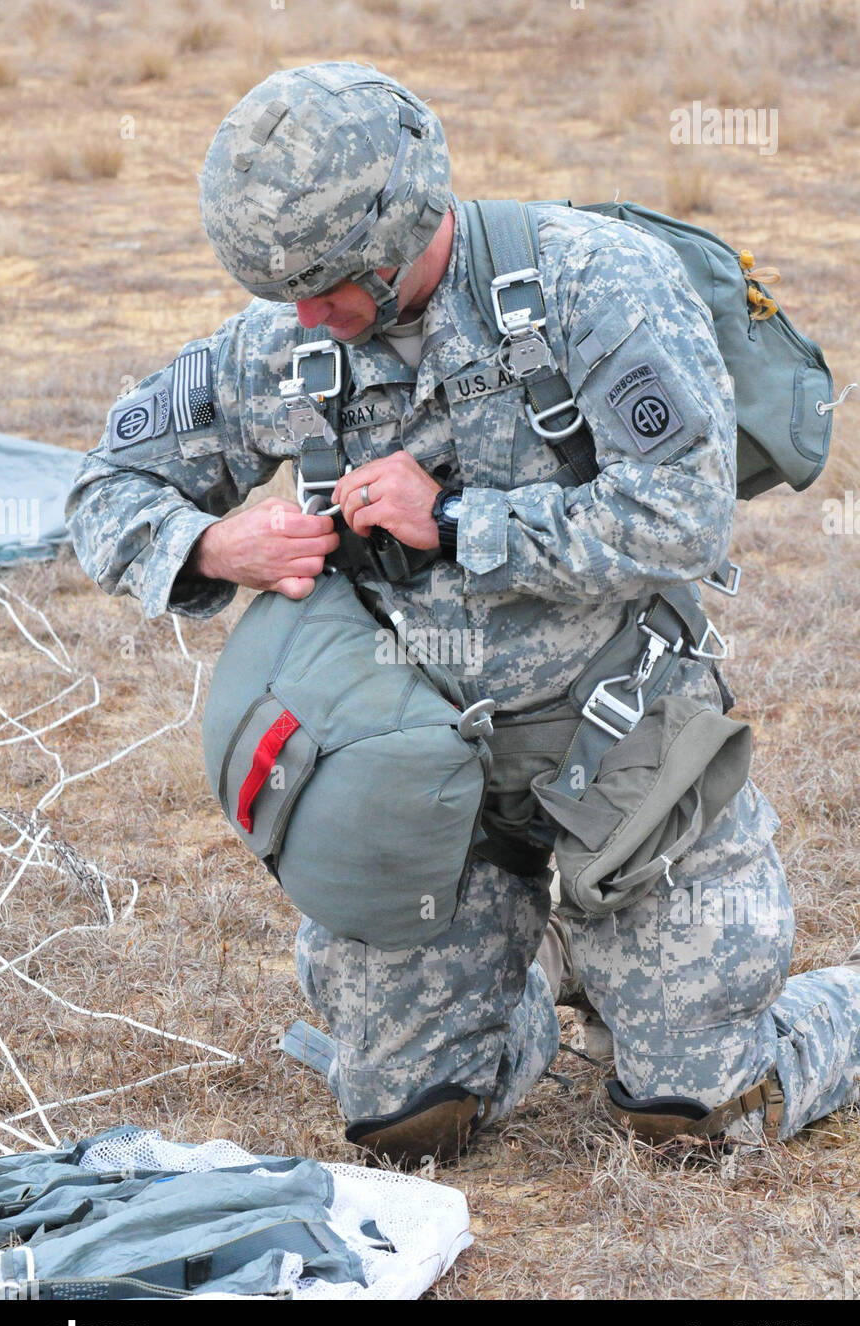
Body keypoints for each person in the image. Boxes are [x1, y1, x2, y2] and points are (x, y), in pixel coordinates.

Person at [67, 61, 860, 1164]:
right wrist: (211, 542)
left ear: (402, 226)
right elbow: (102, 487)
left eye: (328, 284)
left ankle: (822, 1011)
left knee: (691, 1123)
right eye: (280, 288)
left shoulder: (595, 284)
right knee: (408, 1125)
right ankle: (513, 990)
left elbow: (684, 516)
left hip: (619, 746)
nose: (303, 314)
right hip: (424, 780)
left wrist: (465, 522)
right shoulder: (289, 335)